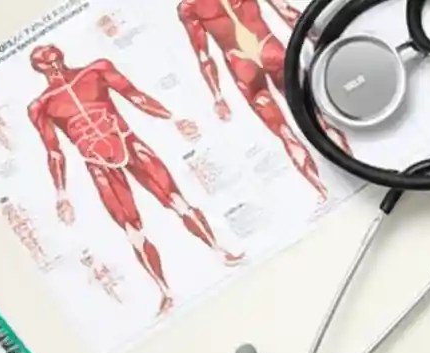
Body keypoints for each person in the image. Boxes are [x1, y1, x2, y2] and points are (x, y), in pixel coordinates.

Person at [27, 44, 243, 316]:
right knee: (132, 228)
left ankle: (220, 250)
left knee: (177, 201)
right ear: (39, 70)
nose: (55, 67)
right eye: (49, 65)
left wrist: (173, 118)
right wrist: (61, 194)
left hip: (129, 143)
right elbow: (54, 151)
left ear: (62, 56)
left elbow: (135, 97)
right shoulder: (40, 105)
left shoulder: (96, 70)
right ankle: (165, 291)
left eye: (56, 60)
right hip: (99, 164)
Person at [178, 0, 351, 200]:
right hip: (270, 49)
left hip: (242, 65)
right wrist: (322, 41)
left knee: (285, 133)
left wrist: (218, 97)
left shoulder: (189, 7)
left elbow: (203, 56)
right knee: (316, 114)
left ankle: (322, 190)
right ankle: (349, 165)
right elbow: (287, 12)